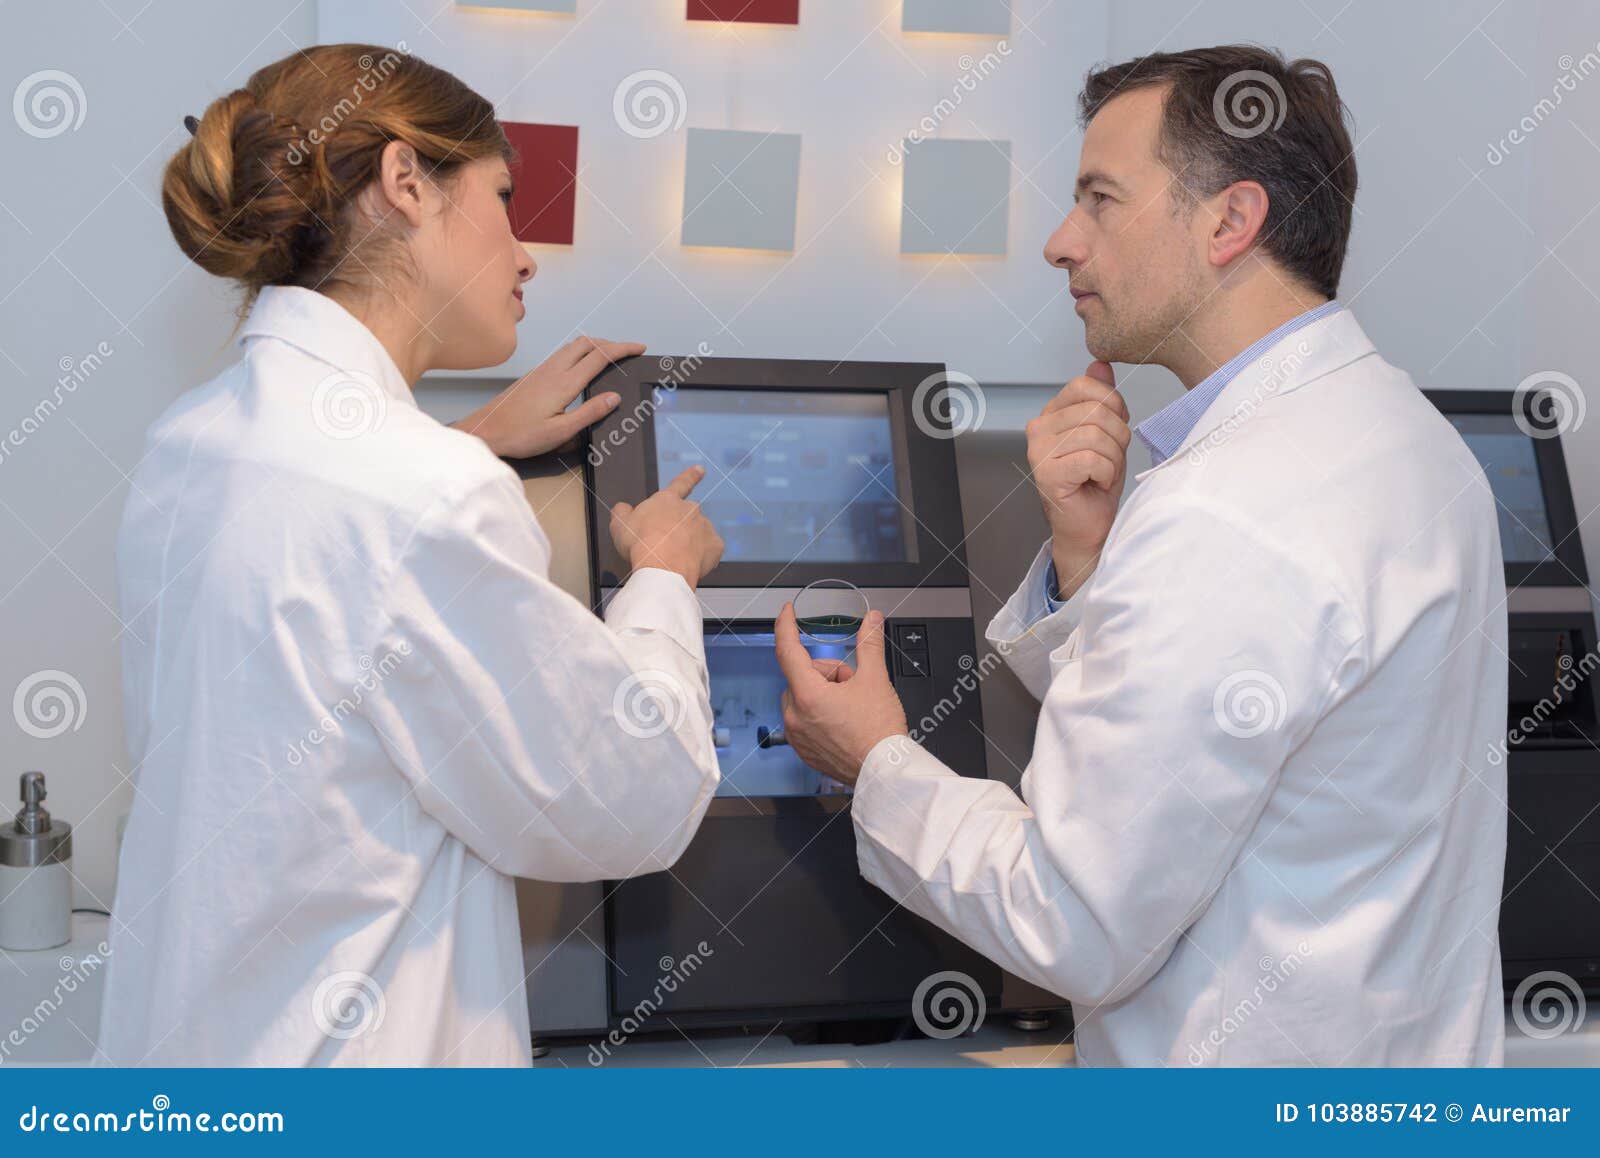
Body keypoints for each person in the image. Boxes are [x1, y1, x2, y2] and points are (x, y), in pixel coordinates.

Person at [776, 45, 1508, 1066]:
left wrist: (876, 763)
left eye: (1100, 199)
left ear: (1228, 221)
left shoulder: (1230, 508)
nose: (1059, 242)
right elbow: (1217, 765)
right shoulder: (1409, 442)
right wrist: (1088, 564)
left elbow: (1073, 923)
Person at [98, 44, 725, 1066]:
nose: (524, 255)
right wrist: (660, 578)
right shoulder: (421, 491)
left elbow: (322, 573)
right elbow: (629, 805)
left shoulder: (192, 442)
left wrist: (461, 443)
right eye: (502, 198)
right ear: (404, 183)